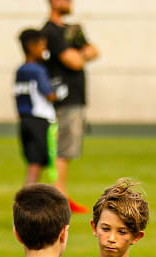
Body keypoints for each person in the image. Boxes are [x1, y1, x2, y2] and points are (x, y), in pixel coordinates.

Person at [42, 0, 99, 213]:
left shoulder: (71, 30)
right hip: (65, 100)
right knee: (63, 149)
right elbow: (73, 61)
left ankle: (61, 193)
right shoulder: (51, 32)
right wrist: (80, 52)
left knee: (68, 149)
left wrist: (80, 52)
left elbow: (94, 51)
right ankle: (58, 196)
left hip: (76, 98)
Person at [15, 29, 57, 186]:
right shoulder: (37, 70)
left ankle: (27, 196)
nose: (44, 50)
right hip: (40, 120)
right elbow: (49, 94)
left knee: (33, 163)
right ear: (32, 47)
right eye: (42, 46)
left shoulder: (20, 70)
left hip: (25, 120)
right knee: (44, 162)